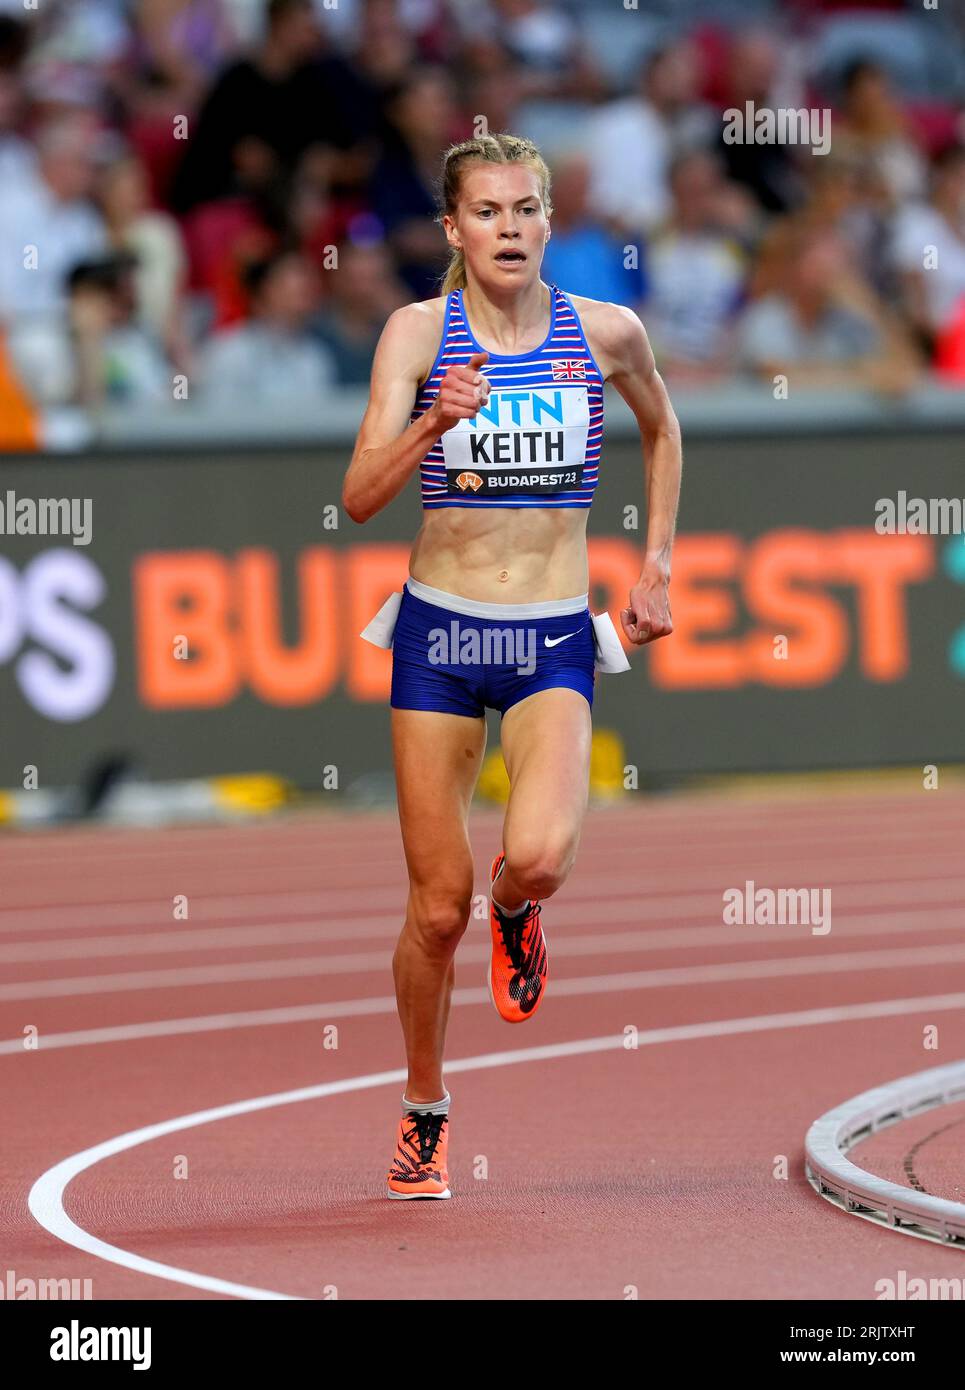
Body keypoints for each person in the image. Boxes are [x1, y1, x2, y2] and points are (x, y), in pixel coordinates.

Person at [342, 132, 682, 1200]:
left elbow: (663, 431)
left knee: (533, 858)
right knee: (432, 911)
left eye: (525, 210)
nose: (508, 229)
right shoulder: (414, 332)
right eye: (485, 212)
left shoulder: (604, 331)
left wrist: (656, 562)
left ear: (547, 221)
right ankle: (423, 1109)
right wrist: (432, 419)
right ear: (452, 229)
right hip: (440, 637)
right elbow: (356, 495)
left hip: (547, 637)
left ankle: (517, 906)